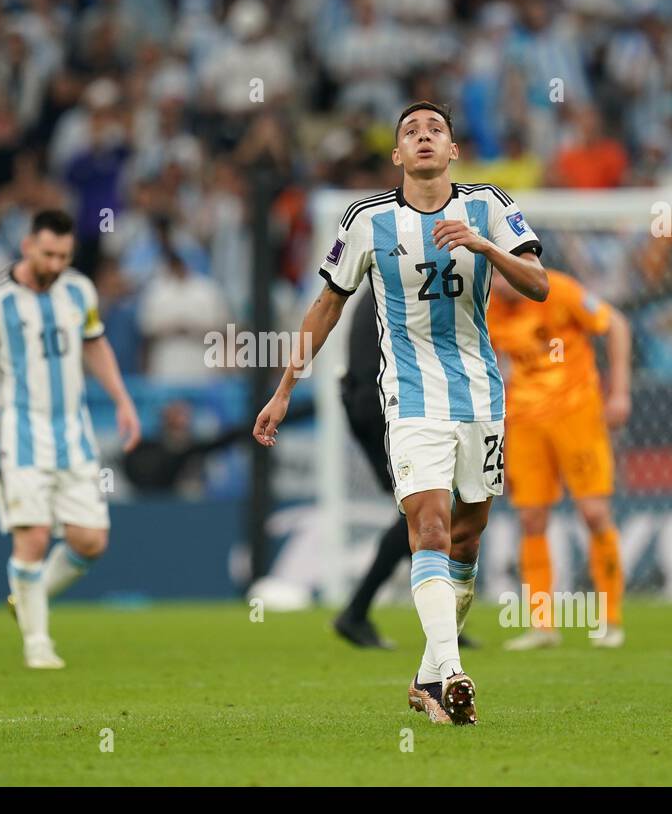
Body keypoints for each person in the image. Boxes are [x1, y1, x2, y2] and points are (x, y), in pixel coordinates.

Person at [254, 101, 549, 725]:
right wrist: (283, 388)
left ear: (453, 151)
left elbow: (539, 284)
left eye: (435, 129)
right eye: (410, 132)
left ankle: (427, 675)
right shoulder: (366, 220)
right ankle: (454, 674)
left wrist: (484, 247)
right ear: (396, 155)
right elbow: (325, 308)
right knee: (432, 528)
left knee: (467, 538)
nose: (422, 137)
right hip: (410, 397)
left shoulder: (490, 205)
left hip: (481, 393)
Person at [0, 209, 141, 669]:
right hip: (19, 435)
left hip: (73, 435)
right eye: (48, 253)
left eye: (64, 255)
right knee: (34, 537)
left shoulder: (79, 290)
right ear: (27, 246)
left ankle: (28, 597)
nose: (57, 263)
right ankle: (38, 643)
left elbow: (94, 343)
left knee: (90, 541)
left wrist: (122, 399)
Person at [487, 269, 632, 649]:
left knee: (593, 513)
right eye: (494, 274)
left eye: (506, 273)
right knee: (531, 518)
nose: (500, 283)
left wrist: (619, 392)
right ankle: (542, 625)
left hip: (576, 414)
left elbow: (615, 323)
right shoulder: (489, 307)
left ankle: (611, 620)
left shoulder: (560, 290)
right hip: (524, 421)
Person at [332, 285, 481, 652]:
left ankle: (437, 622)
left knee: (425, 511)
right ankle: (357, 612)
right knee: (424, 511)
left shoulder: (389, 279)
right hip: (385, 404)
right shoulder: (400, 281)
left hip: (376, 401)